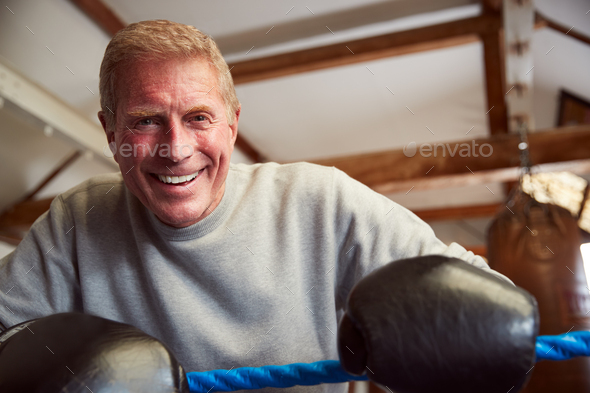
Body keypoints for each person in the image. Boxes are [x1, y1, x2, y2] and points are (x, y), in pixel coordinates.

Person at [0, 20, 513, 393]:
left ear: (233, 125)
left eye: (199, 117)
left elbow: (490, 308)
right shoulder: (76, 221)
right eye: (145, 120)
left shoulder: (319, 201)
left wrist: (442, 334)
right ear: (111, 133)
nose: (176, 149)